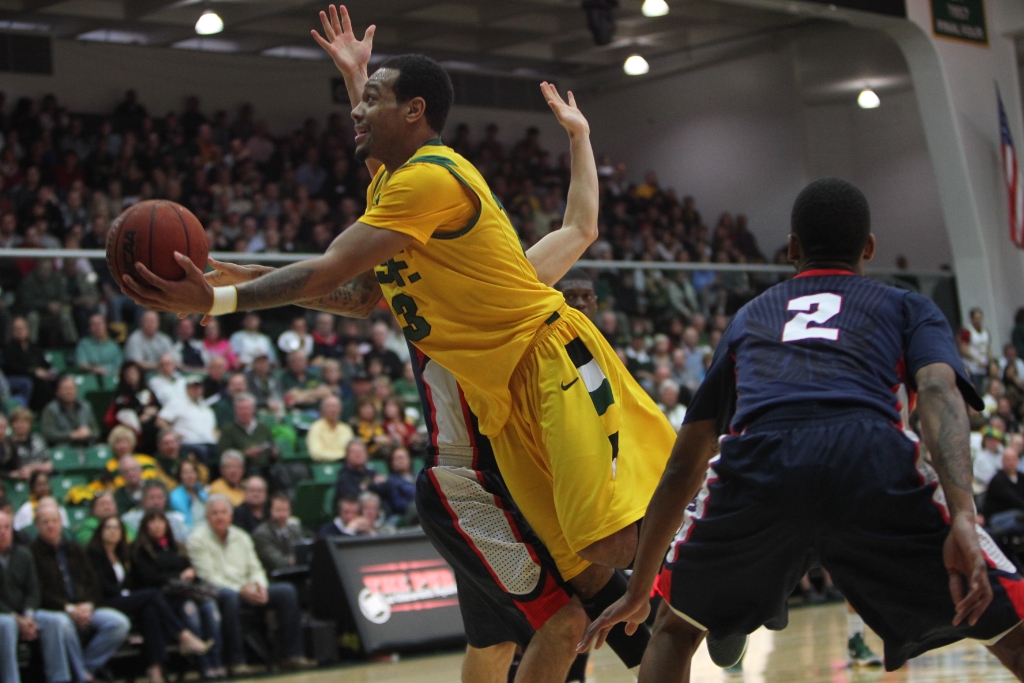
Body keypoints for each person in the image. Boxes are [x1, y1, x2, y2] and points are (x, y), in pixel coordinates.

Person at [121, 12, 663, 682]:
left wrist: (218, 301)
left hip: (548, 367)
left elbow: (330, 269)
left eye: (374, 99)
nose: (356, 112)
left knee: (596, 567)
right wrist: (253, 276)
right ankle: (686, 611)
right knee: (557, 608)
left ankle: (721, 568)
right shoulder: (398, 199)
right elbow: (353, 293)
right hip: (497, 415)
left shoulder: (433, 188)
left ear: (413, 111)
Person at [581, 177, 1024, 680]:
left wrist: (640, 589)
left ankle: (733, 610)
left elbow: (686, 460)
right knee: (1012, 628)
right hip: (869, 456)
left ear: (792, 248)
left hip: (760, 462)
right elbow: (941, 393)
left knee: (674, 630)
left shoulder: (749, 317)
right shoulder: (907, 306)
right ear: (870, 248)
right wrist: (963, 514)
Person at [187, 496, 315, 673]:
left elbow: (255, 568)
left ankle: (291, 655)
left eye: (223, 512)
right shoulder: (197, 539)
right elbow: (207, 576)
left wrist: (259, 587)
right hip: (218, 592)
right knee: (230, 598)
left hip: (249, 588)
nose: (219, 517)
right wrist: (241, 590)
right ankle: (236, 661)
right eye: (214, 513)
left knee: (287, 591)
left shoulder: (242, 537)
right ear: (207, 517)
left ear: (230, 515)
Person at [86, 515, 211, 683]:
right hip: (105, 601)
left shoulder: (122, 554)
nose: (113, 532)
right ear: (100, 531)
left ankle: (155, 670)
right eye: (108, 527)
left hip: (125, 599)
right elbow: (100, 585)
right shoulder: (94, 553)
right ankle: (183, 636)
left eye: (116, 528)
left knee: (150, 611)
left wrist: (128, 593)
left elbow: (129, 581)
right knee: (152, 594)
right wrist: (127, 593)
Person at [31, 499, 131, 683]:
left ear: (61, 523)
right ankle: (83, 677)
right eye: (45, 522)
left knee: (119, 623)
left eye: (54, 521)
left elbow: (92, 582)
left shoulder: (74, 549)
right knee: (64, 624)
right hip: (57, 611)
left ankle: (84, 668)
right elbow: (38, 592)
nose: (51, 526)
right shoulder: (32, 553)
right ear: (37, 526)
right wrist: (69, 609)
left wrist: (88, 605)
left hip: (83, 607)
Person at [132, 510, 224, 679]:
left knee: (210, 608)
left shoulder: (178, 546)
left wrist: (190, 572)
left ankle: (216, 662)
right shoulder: (141, 551)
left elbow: (190, 568)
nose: (158, 525)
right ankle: (202, 664)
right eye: (152, 522)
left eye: (161, 521)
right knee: (191, 611)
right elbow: (149, 578)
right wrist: (177, 576)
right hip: (165, 599)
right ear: (145, 527)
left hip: (187, 592)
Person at [0, 509, 74, 683]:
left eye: (6, 527)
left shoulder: (23, 554)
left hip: (24, 614)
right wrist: (16, 618)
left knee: (55, 621)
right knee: (8, 625)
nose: (3, 532)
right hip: (5, 616)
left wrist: (28, 615)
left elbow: (34, 590)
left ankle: (60, 678)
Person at [157, 377, 218, 466]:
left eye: (198, 387)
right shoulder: (177, 403)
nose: (196, 390)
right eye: (192, 387)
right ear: (187, 389)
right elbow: (160, 420)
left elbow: (214, 429)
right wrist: (173, 434)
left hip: (209, 443)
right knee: (202, 451)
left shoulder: (207, 409)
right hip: (189, 443)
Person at [216, 393, 277, 475]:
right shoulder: (228, 430)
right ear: (235, 410)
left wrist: (274, 452)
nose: (244, 412)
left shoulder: (263, 427)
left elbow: (272, 445)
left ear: (253, 409)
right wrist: (245, 454)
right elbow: (224, 455)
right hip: (245, 470)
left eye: (247, 408)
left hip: (267, 467)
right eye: (241, 409)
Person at [105, 361, 160, 452]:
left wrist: (150, 413)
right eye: (128, 374)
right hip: (131, 428)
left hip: (151, 428)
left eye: (133, 373)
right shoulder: (121, 394)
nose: (131, 376)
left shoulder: (147, 391)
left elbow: (156, 406)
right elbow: (123, 411)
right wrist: (143, 413)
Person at [40, 374, 98, 447]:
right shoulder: (50, 409)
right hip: (62, 448)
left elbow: (96, 431)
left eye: (71, 388)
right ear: (58, 392)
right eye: (65, 389)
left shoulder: (86, 407)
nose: (69, 392)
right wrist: (71, 435)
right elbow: (48, 433)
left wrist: (89, 432)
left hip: (85, 445)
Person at [252, 493, 305, 573]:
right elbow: (278, 562)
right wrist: (298, 559)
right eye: (278, 510)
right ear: (269, 511)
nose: (282, 514)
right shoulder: (261, 534)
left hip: (297, 572)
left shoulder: (295, 529)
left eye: (285, 510)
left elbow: (303, 552)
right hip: (274, 576)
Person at [122, 481, 189, 542]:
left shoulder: (175, 521)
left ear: (165, 500)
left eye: (159, 497)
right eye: (152, 497)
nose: (156, 502)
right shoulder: (129, 521)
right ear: (143, 500)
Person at [306, 394, 353, 462]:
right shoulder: (315, 428)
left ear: (341, 410)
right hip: (324, 465)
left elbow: (351, 451)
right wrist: (342, 456)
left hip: (345, 465)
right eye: (329, 407)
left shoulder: (346, 429)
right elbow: (316, 453)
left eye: (335, 407)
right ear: (322, 410)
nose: (333, 410)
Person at [74, 314, 123, 378]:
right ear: (89, 328)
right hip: (92, 377)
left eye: (100, 324)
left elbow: (120, 364)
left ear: (105, 326)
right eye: (94, 324)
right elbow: (82, 364)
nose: (98, 327)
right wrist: (95, 368)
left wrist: (116, 372)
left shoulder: (113, 345)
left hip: (113, 376)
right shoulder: (83, 344)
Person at [7, 408, 50, 480]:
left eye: (24, 422)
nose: (20, 425)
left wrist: (31, 468)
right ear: (11, 424)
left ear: (30, 424)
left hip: (42, 476)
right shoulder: (8, 444)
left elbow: (47, 463)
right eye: (17, 422)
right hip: (20, 478)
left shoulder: (38, 439)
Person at [169, 456, 207, 533]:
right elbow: (184, 525)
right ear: (180, 476)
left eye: (192, 472)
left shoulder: (202, 493)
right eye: (185, 473)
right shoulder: (175, 497)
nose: (190, 476)